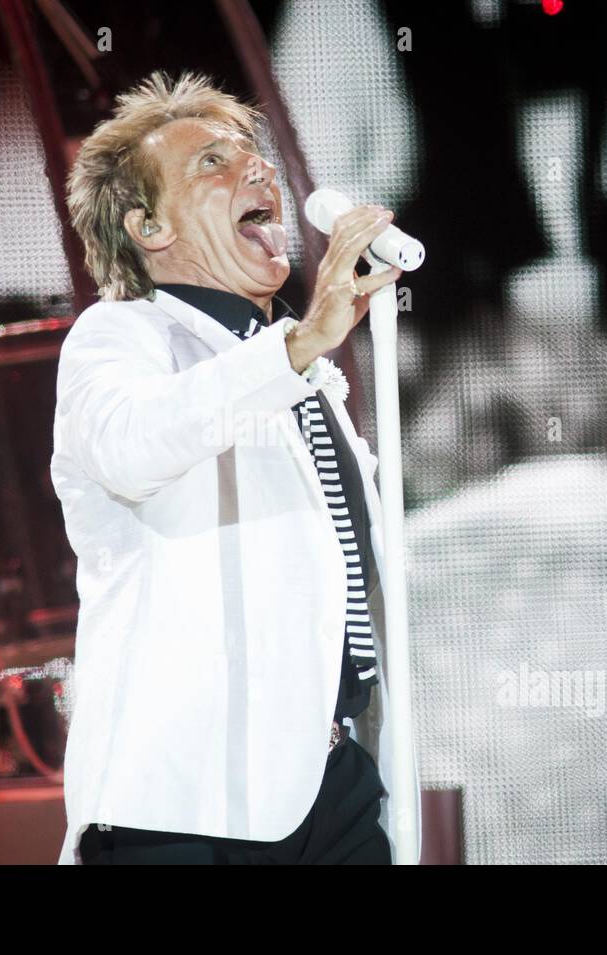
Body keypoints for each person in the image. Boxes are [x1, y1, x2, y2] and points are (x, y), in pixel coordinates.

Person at [51, 70, 418, 863]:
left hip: (330, 786)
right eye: (211, 163)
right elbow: (131, 446)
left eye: (254, 157)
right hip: (192, 807)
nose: (256, 170)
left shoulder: (298, 370)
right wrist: (296, 346)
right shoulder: (122, 337)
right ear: (147, 226)